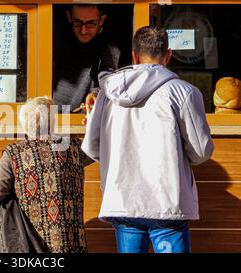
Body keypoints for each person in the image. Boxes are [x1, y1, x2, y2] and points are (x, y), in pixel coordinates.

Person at [81, 26, 214, 253]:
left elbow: (92, 147)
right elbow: (200, 151)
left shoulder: (107, 93)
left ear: (134, 55)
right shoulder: (184, 92)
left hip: (123, 199)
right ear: (168, 55)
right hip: (167, 199)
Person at [0, 96, 93, 253]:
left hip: (30, 244)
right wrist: (91, 121)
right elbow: (95, 148)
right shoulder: (73, 147)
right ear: (53, 122)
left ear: (25, 125)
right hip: (72, 245)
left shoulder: (15, 154)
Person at [53, 4, 121, 113]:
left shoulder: (109, 45)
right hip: (52, 116)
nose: (83, 30)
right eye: (77, 22)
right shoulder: (52, 35)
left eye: (90, 23)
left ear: (102, 20)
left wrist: (96, 94)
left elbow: (108, 80)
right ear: (69, 17)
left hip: (85, 119)